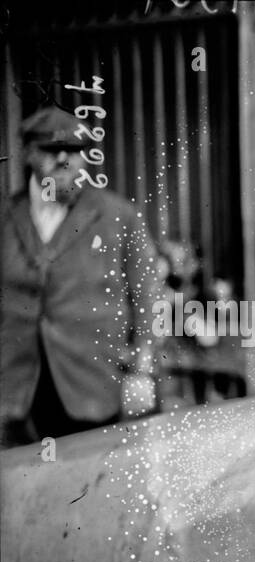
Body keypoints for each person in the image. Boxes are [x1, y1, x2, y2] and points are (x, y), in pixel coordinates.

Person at [1, 106, 161, 448]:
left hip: (94, 387)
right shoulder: (6, 216)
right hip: (18, 394)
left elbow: (148, 296)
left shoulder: (117, 216)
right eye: (50, 150)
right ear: (29, 154)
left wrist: (142, 370)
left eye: (74, 152)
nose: (64, 160)